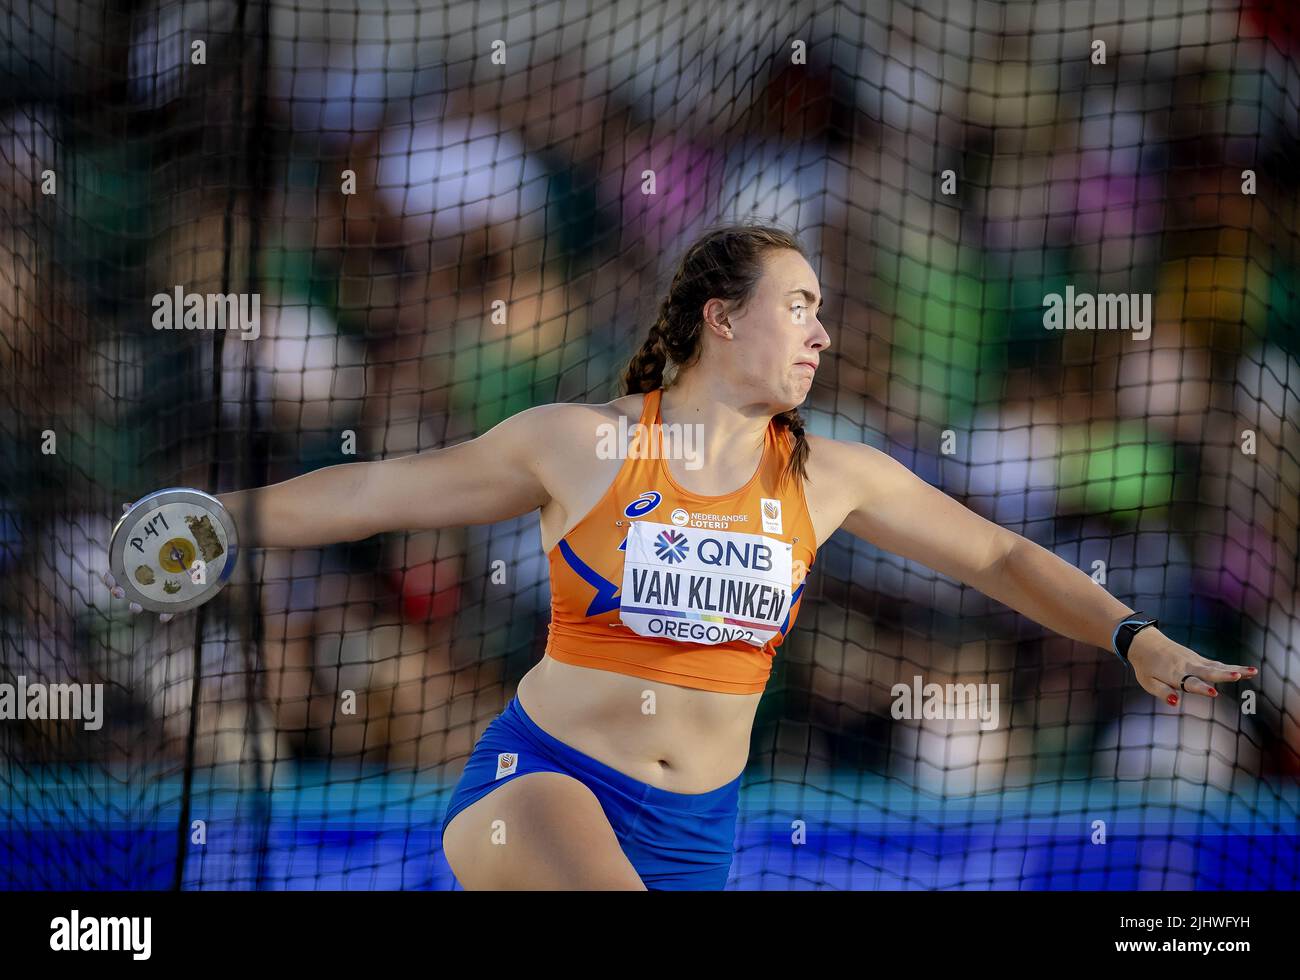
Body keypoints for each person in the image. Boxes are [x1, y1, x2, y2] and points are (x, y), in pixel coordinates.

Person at [104, 223, 1257, 890]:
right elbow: (375, 489)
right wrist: (224, 517)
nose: (820, 330)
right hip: (542, 784)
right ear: (718, 314)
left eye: (823, 312)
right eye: (798, 303)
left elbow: (1000, 556)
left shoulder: (826, 473)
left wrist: (1130, 631)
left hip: (698, 830)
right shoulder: (586, 442)